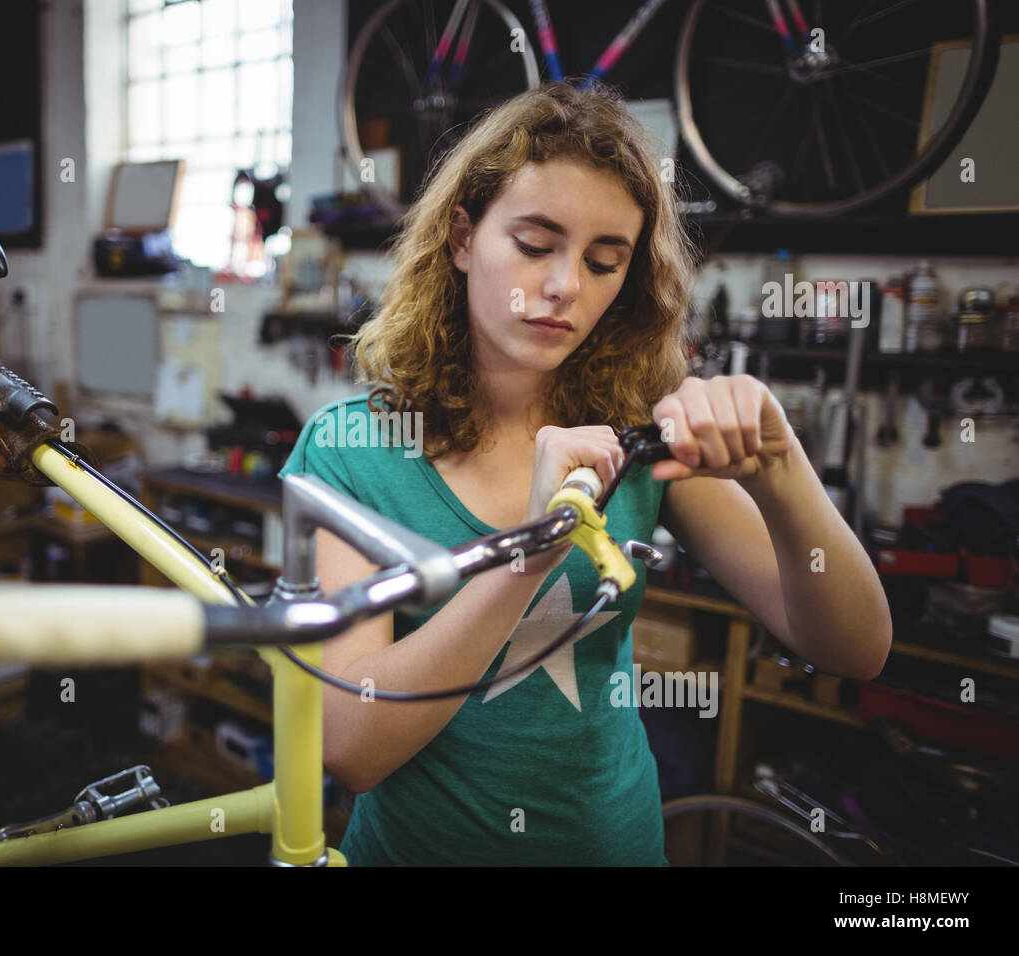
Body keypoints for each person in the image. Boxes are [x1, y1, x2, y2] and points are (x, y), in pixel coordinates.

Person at [276, 81, 891, 866]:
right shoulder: (354, 450)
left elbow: (856, 648)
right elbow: (353, 747)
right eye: (535, 246)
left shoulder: (638, 433)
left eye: (606, 262)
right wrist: (530, 550)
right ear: (463, 240)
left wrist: (781, 467)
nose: (567, 286)